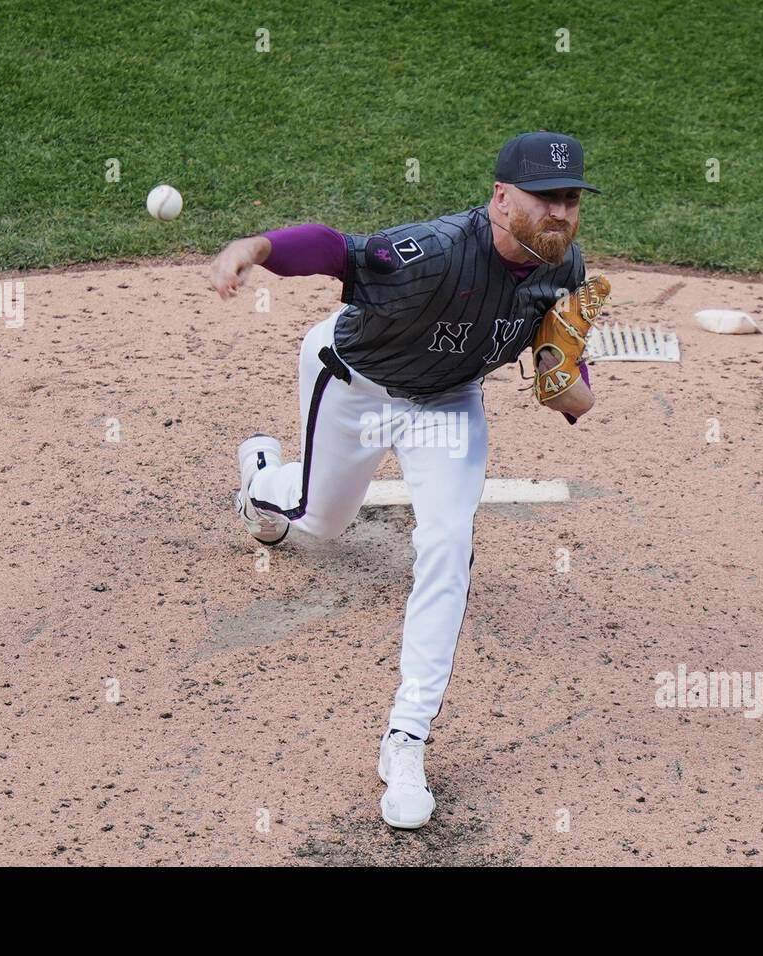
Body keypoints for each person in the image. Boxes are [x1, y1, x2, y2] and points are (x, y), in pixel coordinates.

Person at [209, 131, 600, 829]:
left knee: (448, 543)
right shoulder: (439, 251)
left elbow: (571, 392)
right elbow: (339, 249)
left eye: (571, 200)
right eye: (547, 199)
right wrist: (253, 250)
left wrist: (563, 380)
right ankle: (263, 476)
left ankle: (407, 739)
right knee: (318, 521)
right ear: (503, 197)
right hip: (356, 383)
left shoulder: (564, 272)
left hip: (445, 405)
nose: (562, 215)